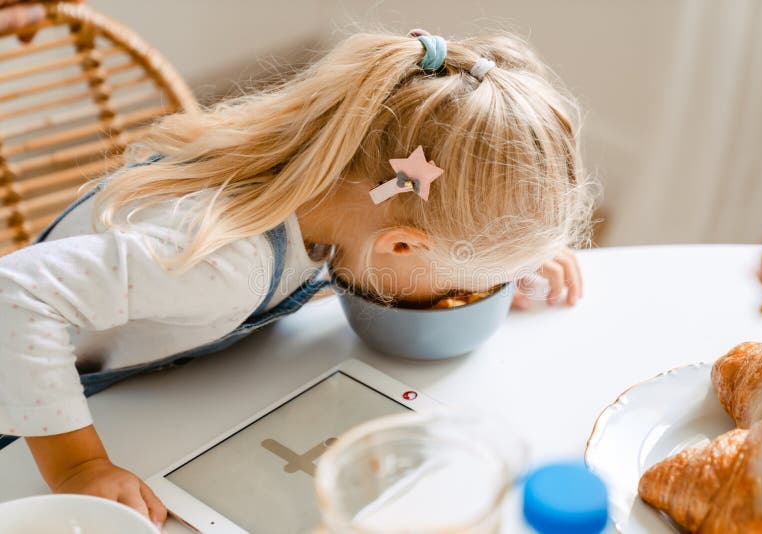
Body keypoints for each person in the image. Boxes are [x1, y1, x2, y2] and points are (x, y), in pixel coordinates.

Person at [0, 30, 596, 529]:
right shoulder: (228, 266)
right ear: (403, 243)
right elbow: (16, 296)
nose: (462, 289)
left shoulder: (334, 178)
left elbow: (401, 207)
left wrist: (499, 253)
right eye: (464, 278)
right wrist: (79, 469)